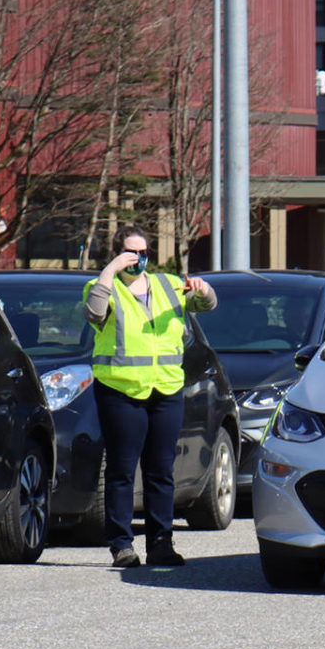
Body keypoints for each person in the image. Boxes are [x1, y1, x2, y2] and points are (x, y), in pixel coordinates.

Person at [84, 227, 218, 568]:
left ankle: (161, 543)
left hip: (166, 388)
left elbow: (207, 305)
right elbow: (94, 314)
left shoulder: (166, 284)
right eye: (130, 253)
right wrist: (110, 271)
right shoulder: (104, 286)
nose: (138, 260)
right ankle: (122, 545)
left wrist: (204, 290)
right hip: (121, 390)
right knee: (122, 470)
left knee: (161, 470)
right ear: (117, 254)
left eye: (143, 253)